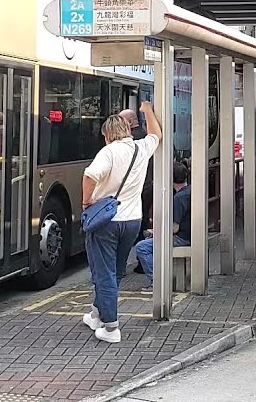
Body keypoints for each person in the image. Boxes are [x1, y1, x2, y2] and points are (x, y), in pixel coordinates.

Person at [81, 100, 162, 344]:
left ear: (107, 135)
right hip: (132, 221)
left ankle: (111, 327)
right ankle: (97, 314)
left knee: (103, 271)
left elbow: (89, 175)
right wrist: (147, 109)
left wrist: (86, 203)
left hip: (107, 221)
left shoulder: (109, 151)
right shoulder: (140, 148)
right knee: (115, 270)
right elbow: (156, 134)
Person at [133, 160, 190, 292]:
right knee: (150, 242)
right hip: (191, 234)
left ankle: (157, 282)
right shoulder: (190, 191)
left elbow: (174, 229)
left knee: (142, 247)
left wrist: (156, 232)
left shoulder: (179, 198)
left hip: (182, 238)